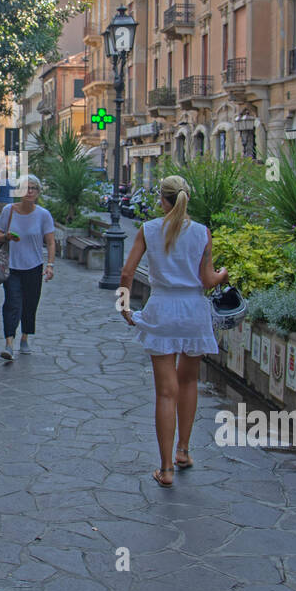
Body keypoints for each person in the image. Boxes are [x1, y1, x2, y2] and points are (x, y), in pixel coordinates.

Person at [118, 175, 228, 488]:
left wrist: (124, 307)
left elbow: (127, 273)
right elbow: (207, 280)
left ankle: (165, 469)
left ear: (162, 201)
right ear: (185, 199)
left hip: (162, 309)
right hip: (193, 311)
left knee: (165, 392)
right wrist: (223, 274)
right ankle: (183, 451)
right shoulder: (202, 233)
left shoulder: (149, 229)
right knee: (189, 381)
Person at [0, 175, 55, 360]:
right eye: (26, 188)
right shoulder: (8, 211)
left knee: (30, 304)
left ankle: (25, 337)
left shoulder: (43, 215)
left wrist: (50, 265)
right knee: (12, 302)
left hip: (34, 266)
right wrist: (7, 237)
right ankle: (9, 343)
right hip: (11, 266)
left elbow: (50, 242)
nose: (29, 191)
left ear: (38, 192)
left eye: (33, 188)